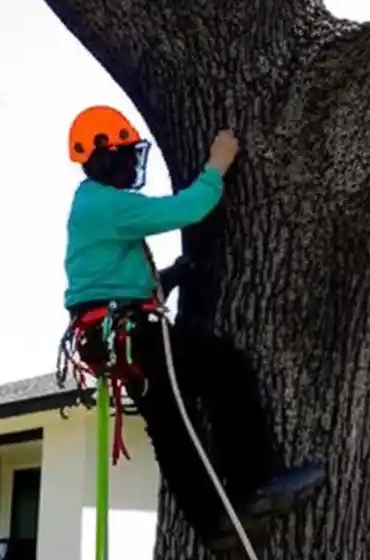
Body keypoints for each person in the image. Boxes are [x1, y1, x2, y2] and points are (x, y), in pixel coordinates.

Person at [59, 105, 325, 551]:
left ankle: (215, 527)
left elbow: (112, 282)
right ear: (104, 154)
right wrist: (218, 164)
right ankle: (256, 484)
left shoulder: (91, 206)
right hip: (132, 333)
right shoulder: (107, 204)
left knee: (171, 429)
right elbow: (189, 208)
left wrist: (175, 275)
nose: (131, 164)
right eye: (125, 155)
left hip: (113, 336)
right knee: (224, 368)